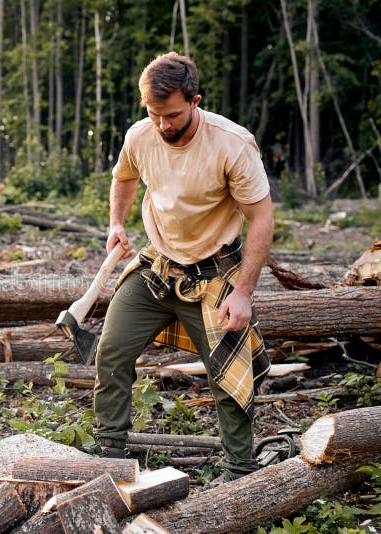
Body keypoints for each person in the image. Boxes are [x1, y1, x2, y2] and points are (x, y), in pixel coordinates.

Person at [91, 52, 274, 482]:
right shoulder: (141, 134)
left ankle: (240, 469)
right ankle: (110, 455)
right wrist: (117, 222)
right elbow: (124, 176)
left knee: (227, 372)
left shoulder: (231, 143)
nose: (163, 125)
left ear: (195, 101)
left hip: (215, 272)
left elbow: (261, 218)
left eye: (171, 115)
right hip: (158, 266)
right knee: (111, 351)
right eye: (154, 115)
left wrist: (243, 292)